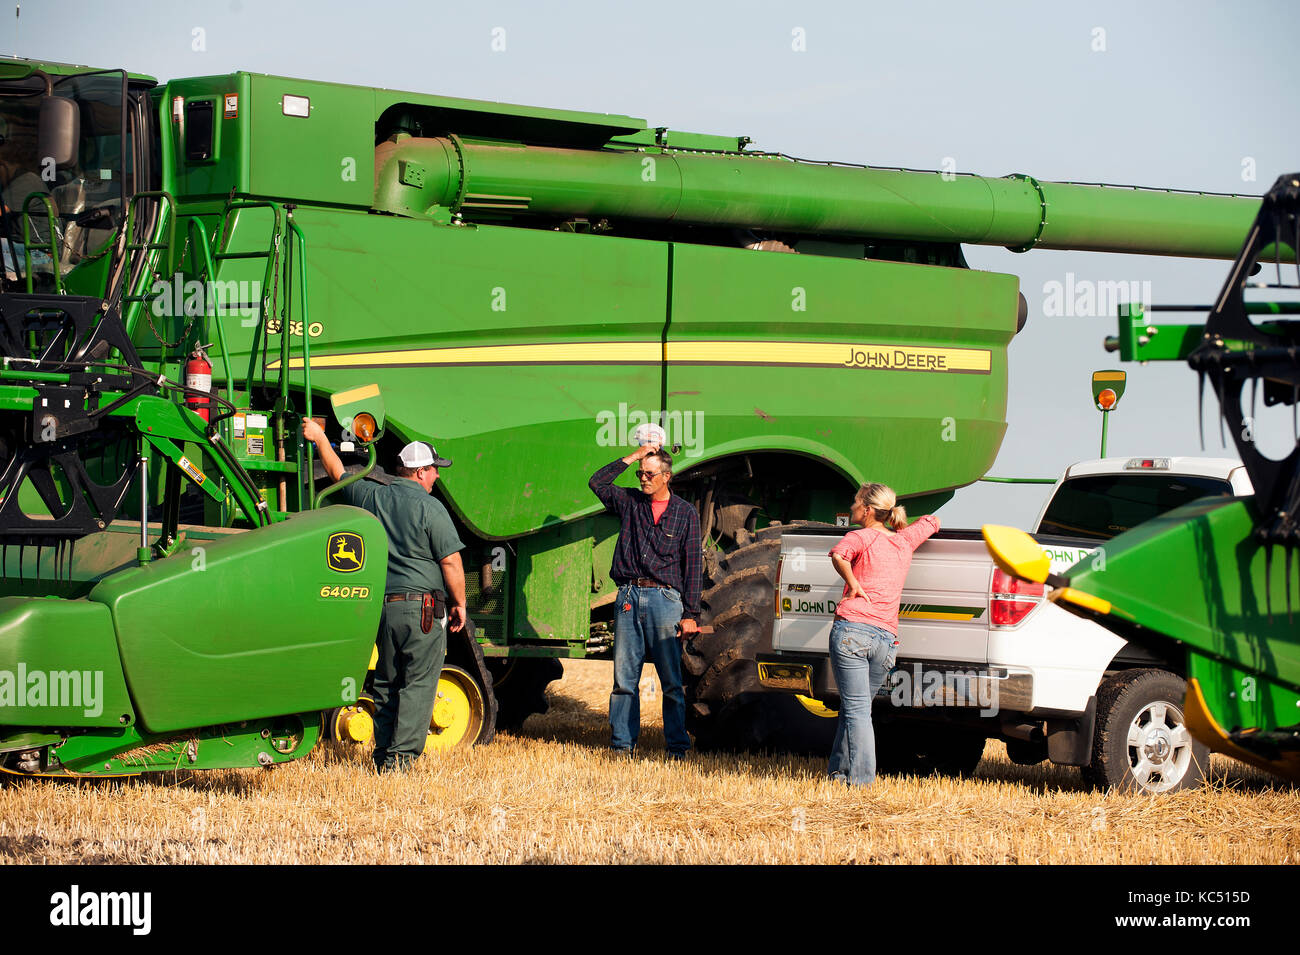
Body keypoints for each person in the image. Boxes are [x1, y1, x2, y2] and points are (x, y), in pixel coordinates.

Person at [303, 420, 467, 773]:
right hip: (422, 608)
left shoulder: (374, 496)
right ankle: (401, 761)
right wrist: (460, 604)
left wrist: (318, 438)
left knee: (387, 683)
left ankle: (382, 757)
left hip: (383, 608)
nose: (437, 477)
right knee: (418, 684)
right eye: (434, 471)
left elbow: (336, 473)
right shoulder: (431, 508)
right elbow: (451, 561)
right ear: (420, 472)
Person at [589, 440, 701, 758]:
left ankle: (677, 748)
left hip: (666, 600)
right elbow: (597, 482)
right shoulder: (630, 503)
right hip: (627, 596)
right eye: (641, 473)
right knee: (624, 679)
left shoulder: (685, 514)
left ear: (667, 476)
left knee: (671, 680)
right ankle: (622, 746)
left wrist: (691, 613)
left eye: (649, 474)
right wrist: (635, 456)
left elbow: (693, 565)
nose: (643, 478)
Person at [826, 483, 940, 786]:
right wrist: (901, 523)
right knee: (855, 710)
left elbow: (839, 555)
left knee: (857, 712)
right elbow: (932, 521)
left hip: (853, 631)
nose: (851, 507)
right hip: (885, 641)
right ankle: (838, 776)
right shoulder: (904, 541)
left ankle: (861, 782)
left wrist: (853, 582)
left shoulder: (859, 536)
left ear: (866, 510)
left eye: (855, 502)